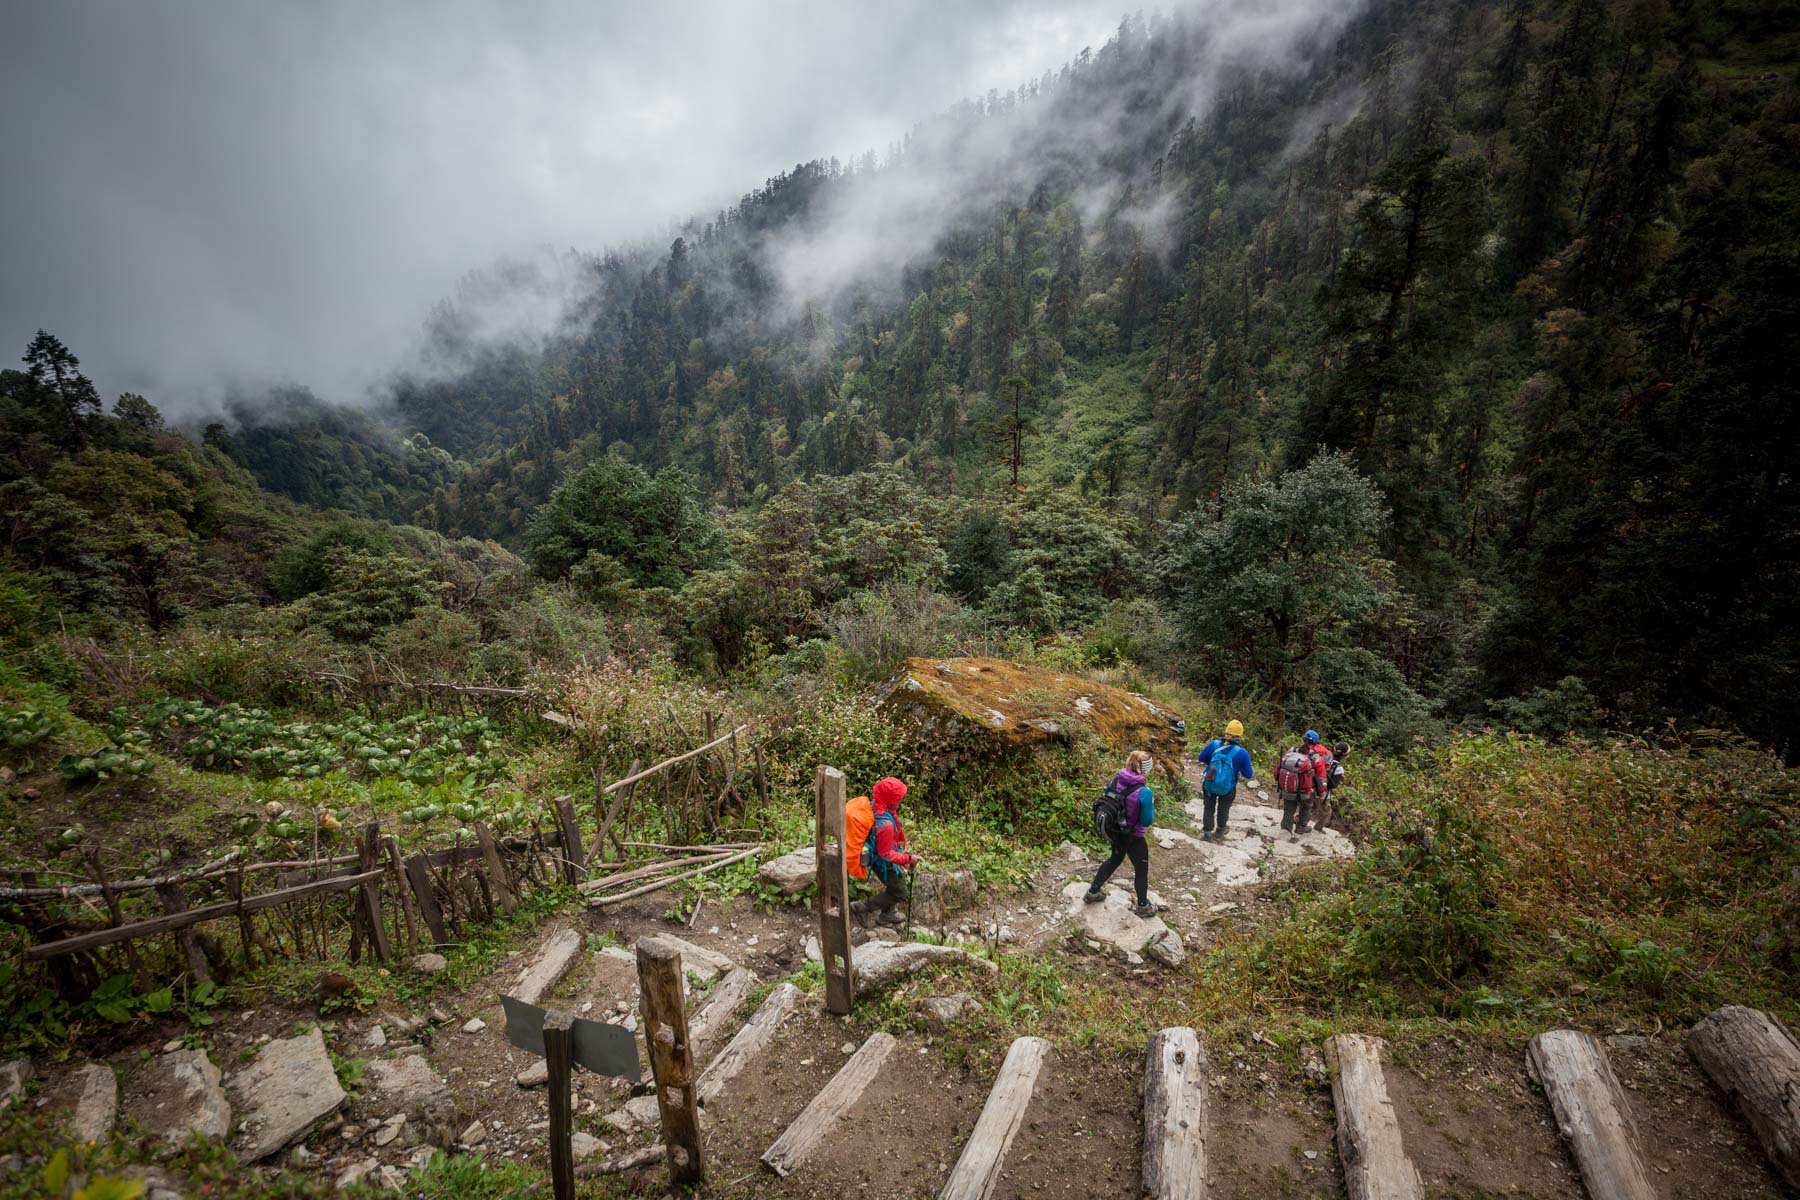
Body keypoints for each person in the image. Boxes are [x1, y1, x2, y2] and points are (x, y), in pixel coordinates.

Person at [1083, 750, 1157, 917]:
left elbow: (1107, 794)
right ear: (1145, 769)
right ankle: (1143, 906)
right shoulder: (1145, 792)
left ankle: (1093, 892)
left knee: (1115, 858)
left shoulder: (1116, 779)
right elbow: (1146, 820)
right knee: (1141, 868)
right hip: (1134, 836)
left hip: (1115, 830)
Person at [851, 776, 918, 928]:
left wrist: (901, 853)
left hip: (877, 856)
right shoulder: (885, 824)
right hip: (883, 863)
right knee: (899, 890)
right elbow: (886, 854)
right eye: (898, 798)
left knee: (895, 884)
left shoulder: (876, 805)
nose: (900, 800)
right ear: (890, 799)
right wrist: (907, 859)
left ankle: (887, 914)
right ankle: (863, 907)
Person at [1195, 720, 1253, 841]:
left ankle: (1207, 833)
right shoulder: (1242, 753)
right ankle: (1220, 831)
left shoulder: (1214, 745)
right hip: (1228, 787)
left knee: (1209, 807)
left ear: (1226, 732)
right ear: (1239, 736)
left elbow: (1201, 758)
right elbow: (1248, 774)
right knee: (1224, 808)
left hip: (1210, 781)